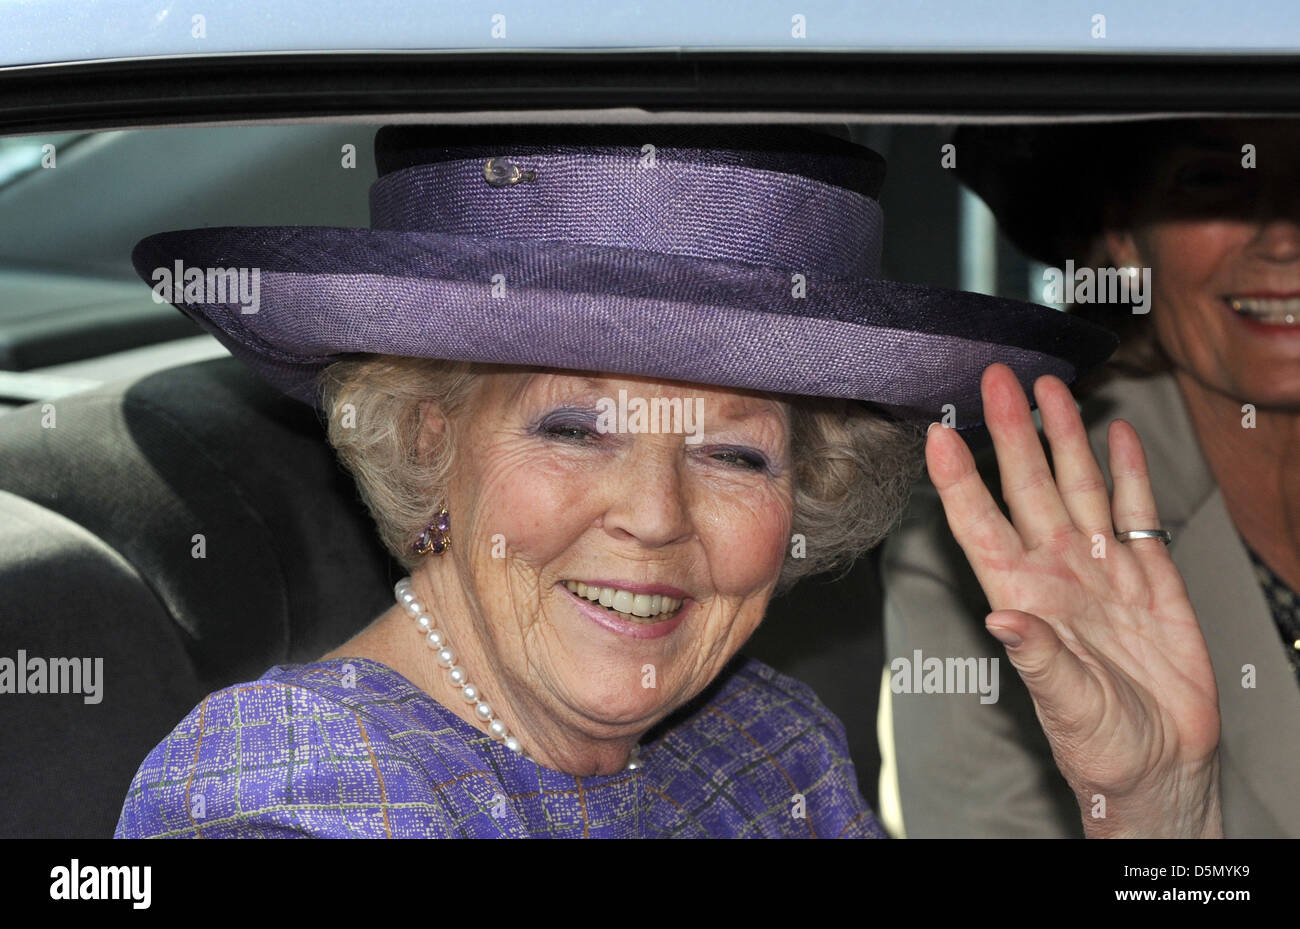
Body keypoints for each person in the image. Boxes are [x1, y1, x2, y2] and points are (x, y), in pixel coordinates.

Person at [114, 123, 1216, 838]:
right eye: (574, 427)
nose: (652, 517)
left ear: (809, 490)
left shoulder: (766, 735)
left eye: (734, 452)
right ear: (426, 441)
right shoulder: (286, 794)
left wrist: (1159, 810)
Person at [883, 118, 1300, 838]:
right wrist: (1158, 818)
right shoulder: (994, 537)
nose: (1284, 238)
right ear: (1124, 238)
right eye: (1211, 180)